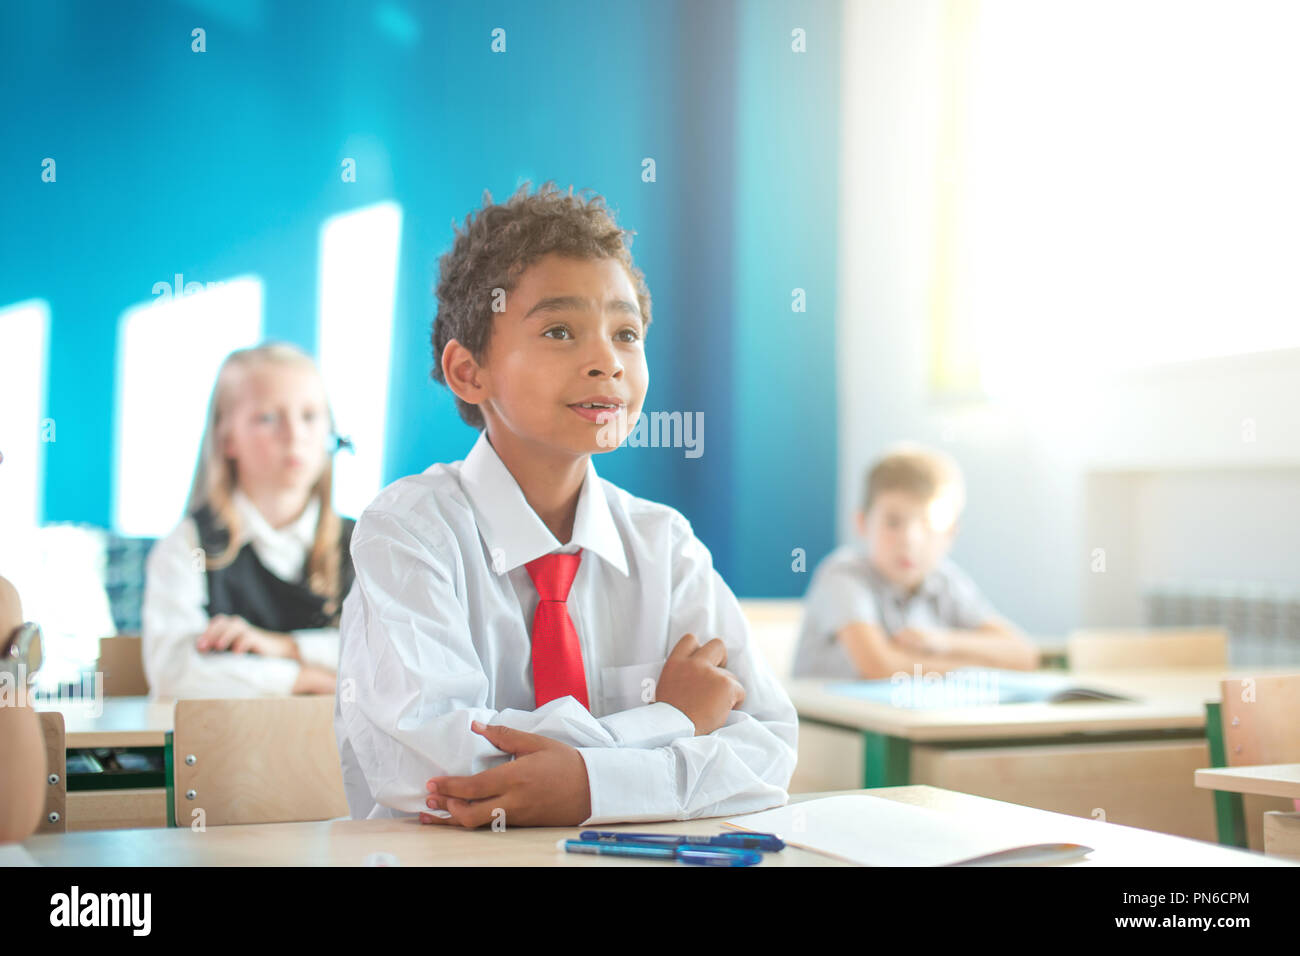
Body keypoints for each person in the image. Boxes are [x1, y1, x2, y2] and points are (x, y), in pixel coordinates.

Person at [336, 181, 797, 827]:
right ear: (470, 372)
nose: (607, 361)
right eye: (559, 330)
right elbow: (443, 772)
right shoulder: (408, 533)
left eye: (627, 333)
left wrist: (587, 783)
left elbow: (767, 750)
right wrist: (668, 722)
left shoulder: (666, 545)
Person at [142, 343, 353, 697]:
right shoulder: (188, 545)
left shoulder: (366, 543)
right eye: (268, 418)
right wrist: (306, 680)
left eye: (310, 416)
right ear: (227, 440)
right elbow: (174, 672)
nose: (295, 434)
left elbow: (390, 659)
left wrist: (280, 646)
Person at [793, 443, 1039, 679]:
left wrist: (940, 642)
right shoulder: (843, 576)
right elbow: (880, 667)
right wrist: (980, 665)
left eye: (928, 524)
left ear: (951, 533)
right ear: (862, 523)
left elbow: (1024, 655)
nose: (909, 540)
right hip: (831, 720)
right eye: (893, 522)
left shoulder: (945, 582)